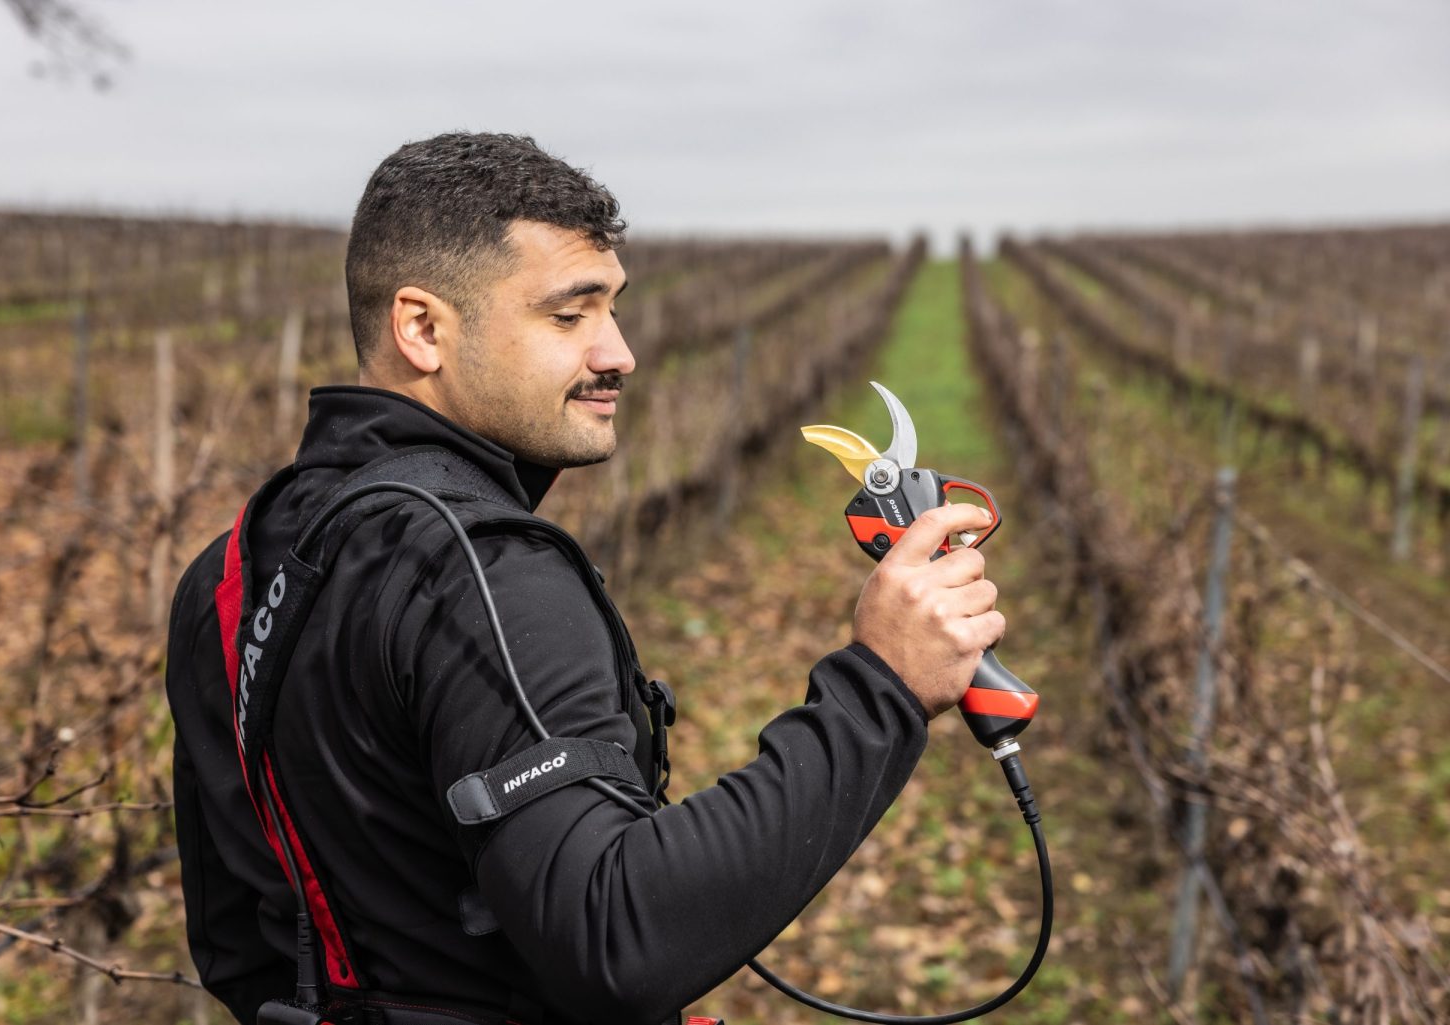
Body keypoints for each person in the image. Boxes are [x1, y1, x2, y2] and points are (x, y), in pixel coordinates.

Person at [165, 132, 1004, 1025]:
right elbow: (621, 937)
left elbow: (233, 942)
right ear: (422, 329)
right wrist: (881, 689)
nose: (619, 352)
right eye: (569, 316)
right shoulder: (491, 576)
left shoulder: (232, 568)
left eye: (611, 309)